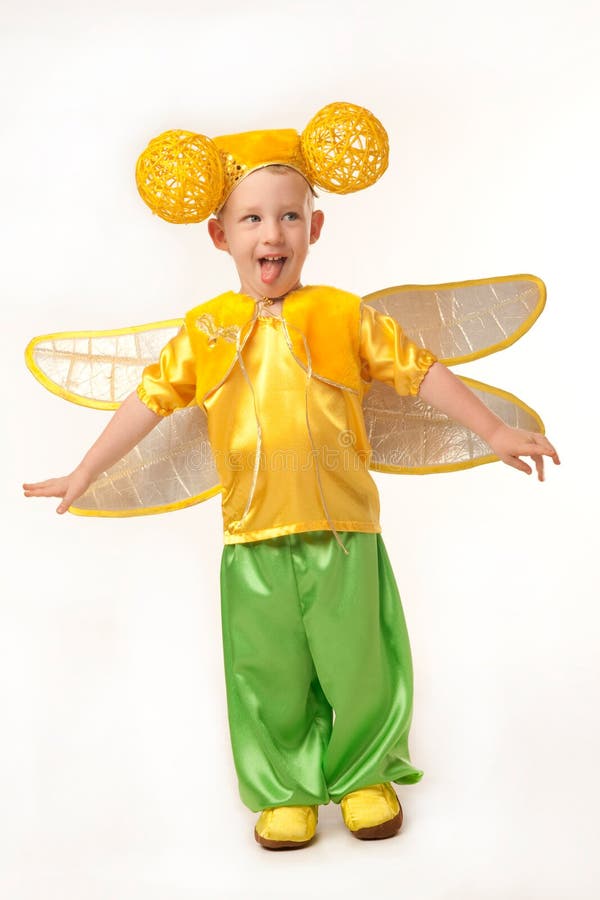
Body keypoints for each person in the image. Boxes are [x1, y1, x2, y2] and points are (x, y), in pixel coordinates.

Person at [23, 103, 560, 850]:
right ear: (220, 235)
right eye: (250, 220)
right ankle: (285, 788)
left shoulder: (342, 316)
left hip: (344, 531)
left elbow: (421, 371)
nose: (271, 234)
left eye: (288, 217)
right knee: (266, 670)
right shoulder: (205, 331)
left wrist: (495, 429)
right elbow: (146, 403)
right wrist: (85, 470)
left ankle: (366, 773)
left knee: (360, 660)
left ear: (315, 227)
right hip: (253, 539)